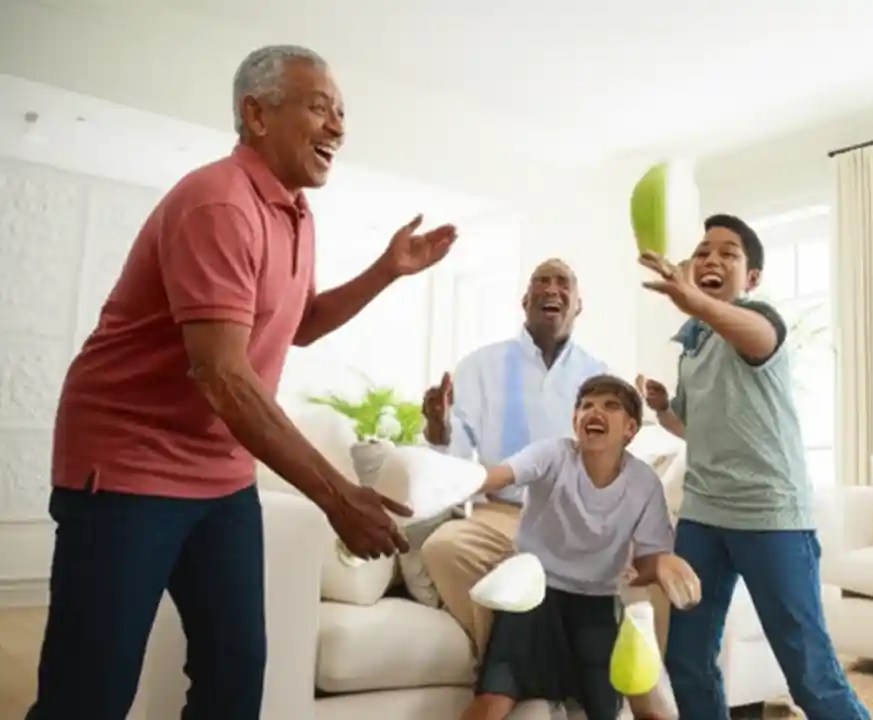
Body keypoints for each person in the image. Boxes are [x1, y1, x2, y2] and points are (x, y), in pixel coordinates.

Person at [28, 45, 460, 720]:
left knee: (235, 670)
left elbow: (301, 324)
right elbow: (223, 375)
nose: (338, 127)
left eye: (341, 112)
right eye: (319, 107)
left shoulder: (296, 213)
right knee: (90, 692)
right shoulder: (218, 202)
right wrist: (337, 496)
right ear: (257, 115)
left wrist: (386, 270)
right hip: (129, 464)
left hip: (219, 476)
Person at [637, 214, 872, 720]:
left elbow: (759, 336)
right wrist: (662, 409)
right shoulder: (692, 346)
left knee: (809, 673)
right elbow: (691, 427)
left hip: (769, 515)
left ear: (753, 277)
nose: (712, 259)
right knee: (687, 661)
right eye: (703, 252)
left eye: (728, 253)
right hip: (703, 515)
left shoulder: (759, 320)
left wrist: (695, 302)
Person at [460, 374, 698, 720]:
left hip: (596, 603)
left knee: (619, 707)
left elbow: (648, 559)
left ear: (630, 429)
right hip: (533, 594)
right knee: (494, 699)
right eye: (586, 405)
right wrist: (454, 478)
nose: (594, 412)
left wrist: (662, 563)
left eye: (610, 406)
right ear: (575, 421)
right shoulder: (553, 454)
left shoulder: (644, 483)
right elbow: (499, 476)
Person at [420, 258, 609, 654]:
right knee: (443, 548)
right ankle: (509, 661)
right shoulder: (479, 366)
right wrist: (438, 428)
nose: (552, 289)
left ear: (578, 305)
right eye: (542, 281)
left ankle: (511, 670)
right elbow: (455, 456)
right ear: (525, 301)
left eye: (563, 283)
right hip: (500, 515)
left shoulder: (599, 376)